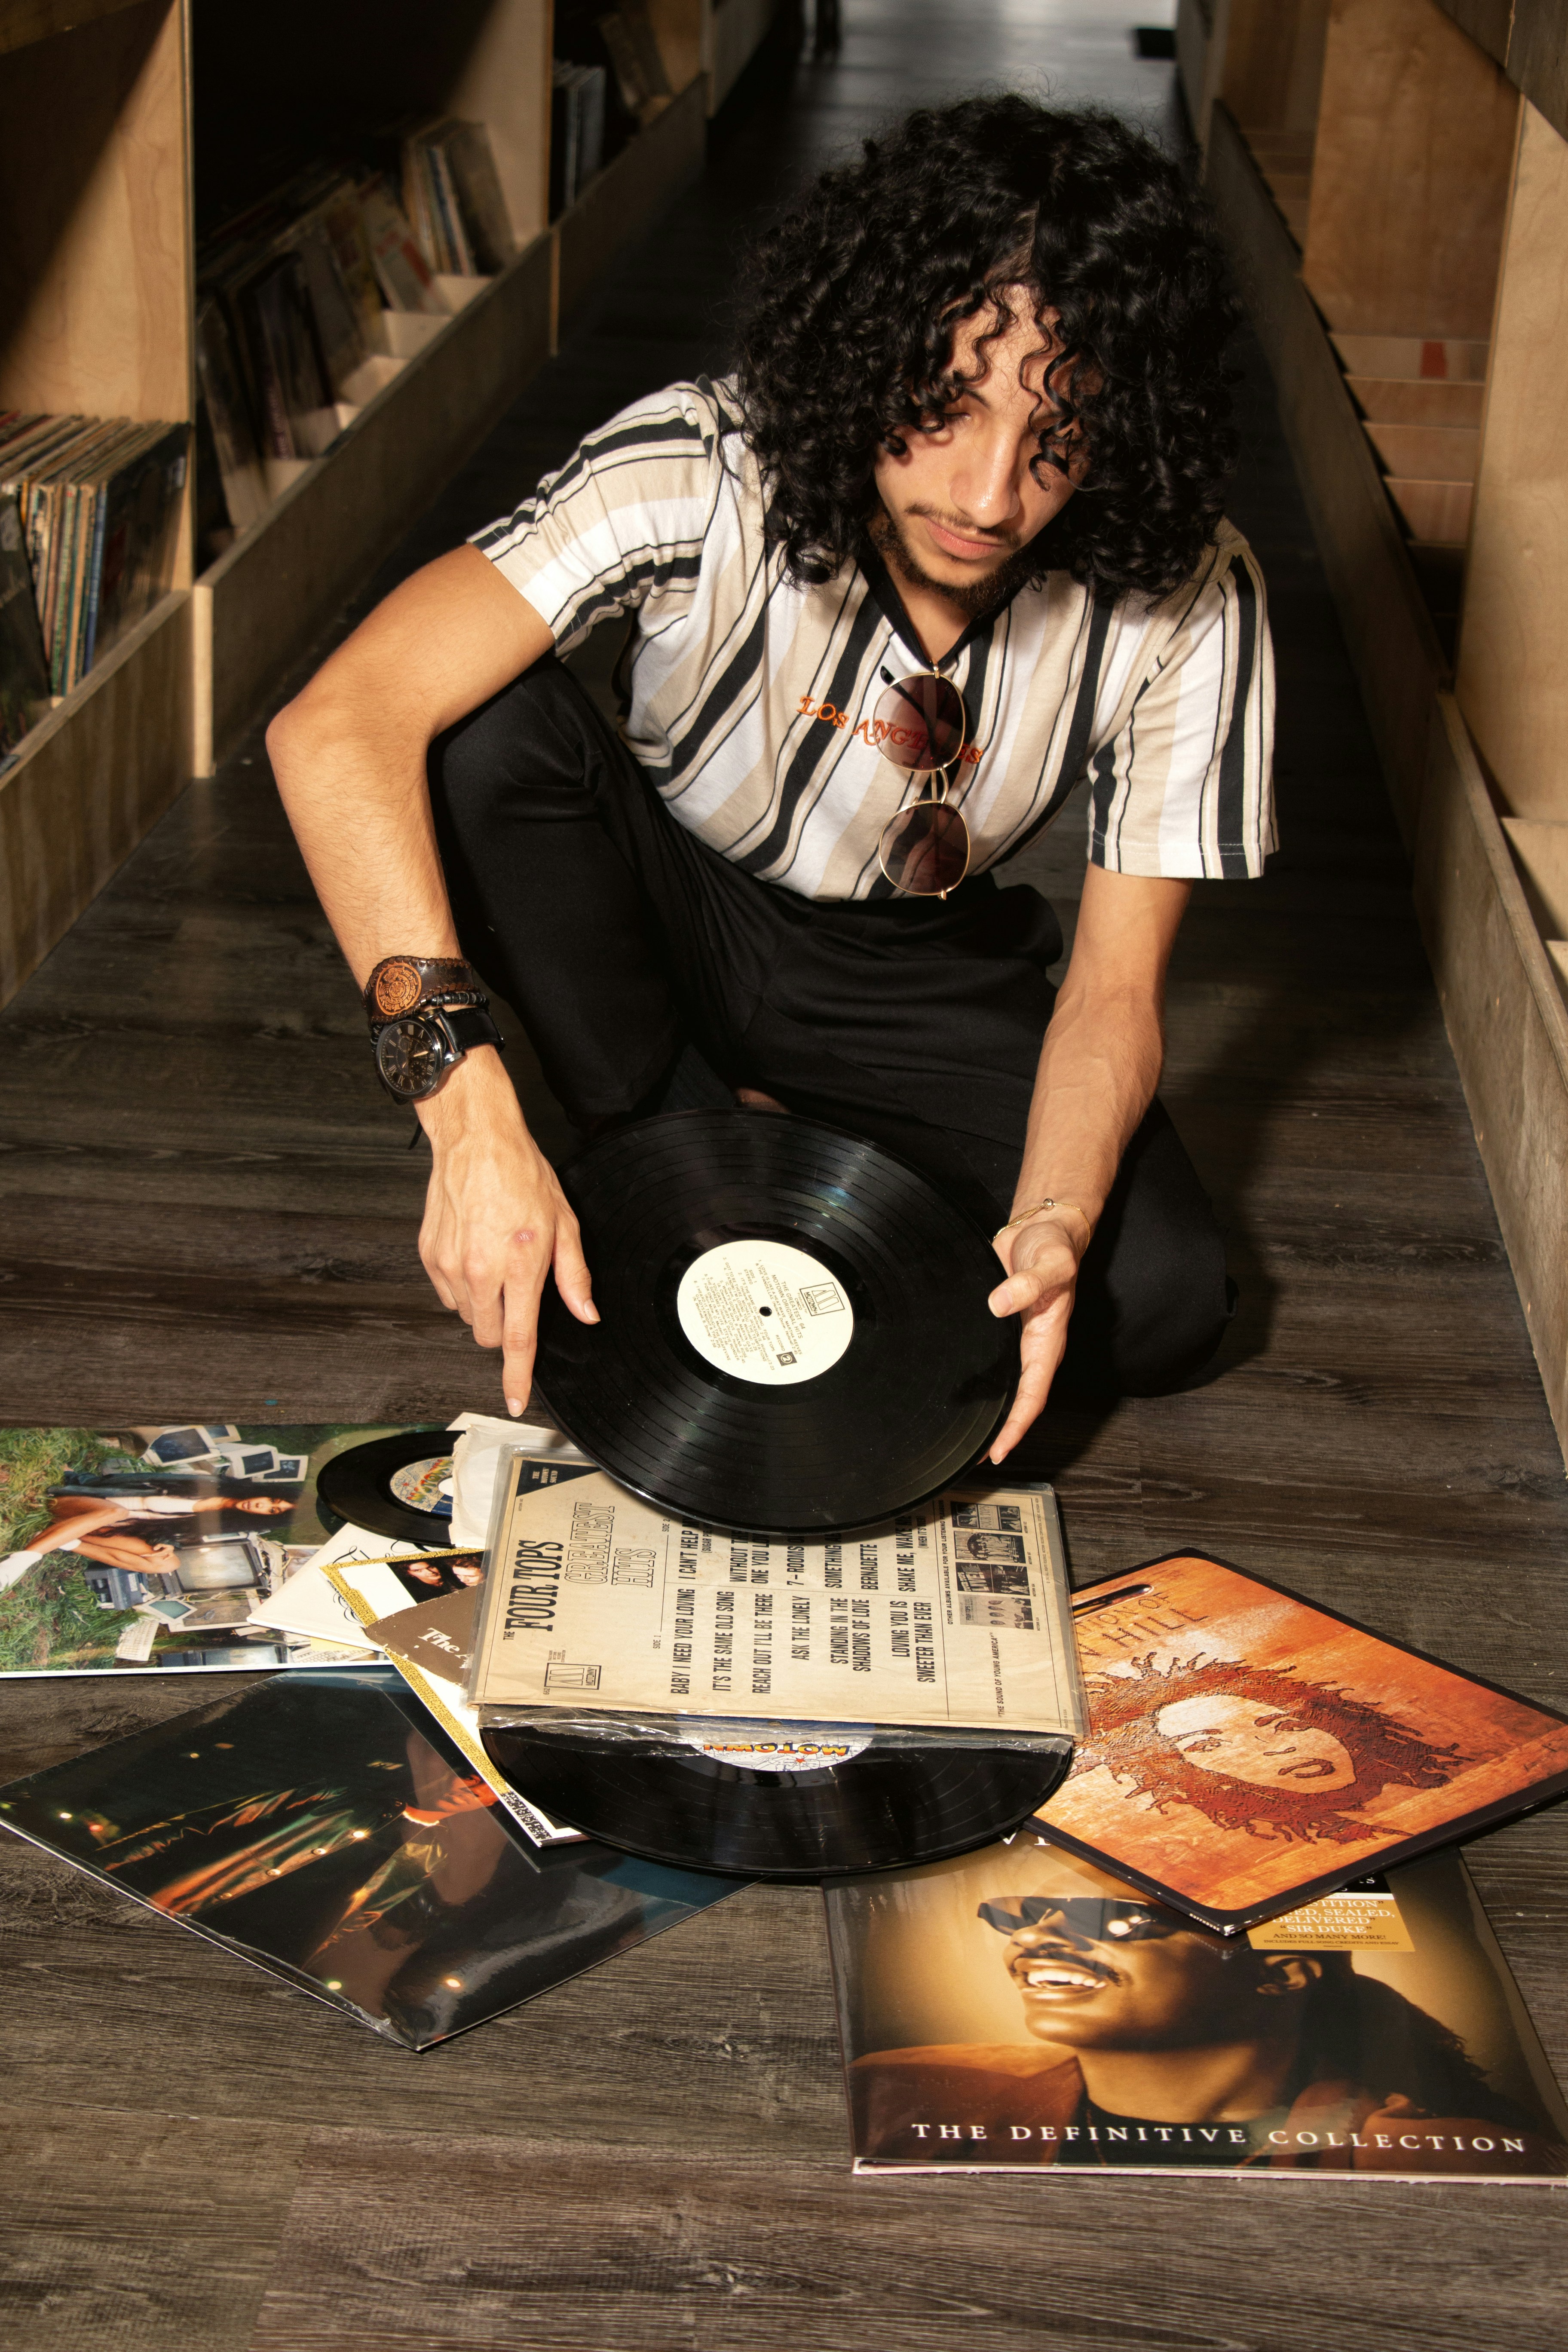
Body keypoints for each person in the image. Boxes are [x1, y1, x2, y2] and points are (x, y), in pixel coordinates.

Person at [267, 96, 1275, 1457]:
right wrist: (465, 1118)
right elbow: (337, 723)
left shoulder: (1194, 597)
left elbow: (1111, 992)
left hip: (917, 969)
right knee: (489, 726)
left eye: (1057, 436)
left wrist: (1054, 1218)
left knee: (1160, 1303)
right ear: (871, 347)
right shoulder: (699, 461)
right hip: (669, 902)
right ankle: (657, 1119)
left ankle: (752, 1142)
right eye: (950, 404)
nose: (988, 497)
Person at [848, 1861, 1566, 2174]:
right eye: (1024, 1917)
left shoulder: (1440, 2158)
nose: (1034, 1940)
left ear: (1281, 1971)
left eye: (1117, 1921)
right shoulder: (903, 2095)